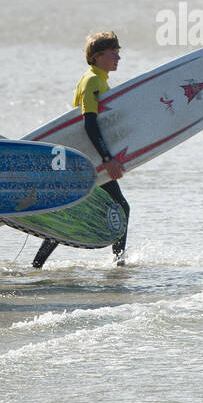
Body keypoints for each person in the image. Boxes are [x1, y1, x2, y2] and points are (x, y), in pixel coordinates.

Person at [32, 31, 129, 268]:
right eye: (112, 54)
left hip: (87, 157)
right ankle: (119, 264)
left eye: (118, 53)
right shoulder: (92, 81)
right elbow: (89, 121)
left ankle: (36, 266)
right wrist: (107, 159)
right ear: (96, 57)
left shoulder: (100, 79)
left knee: (71, 211)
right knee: (120, 207)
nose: (118, 58)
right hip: (88, 158)